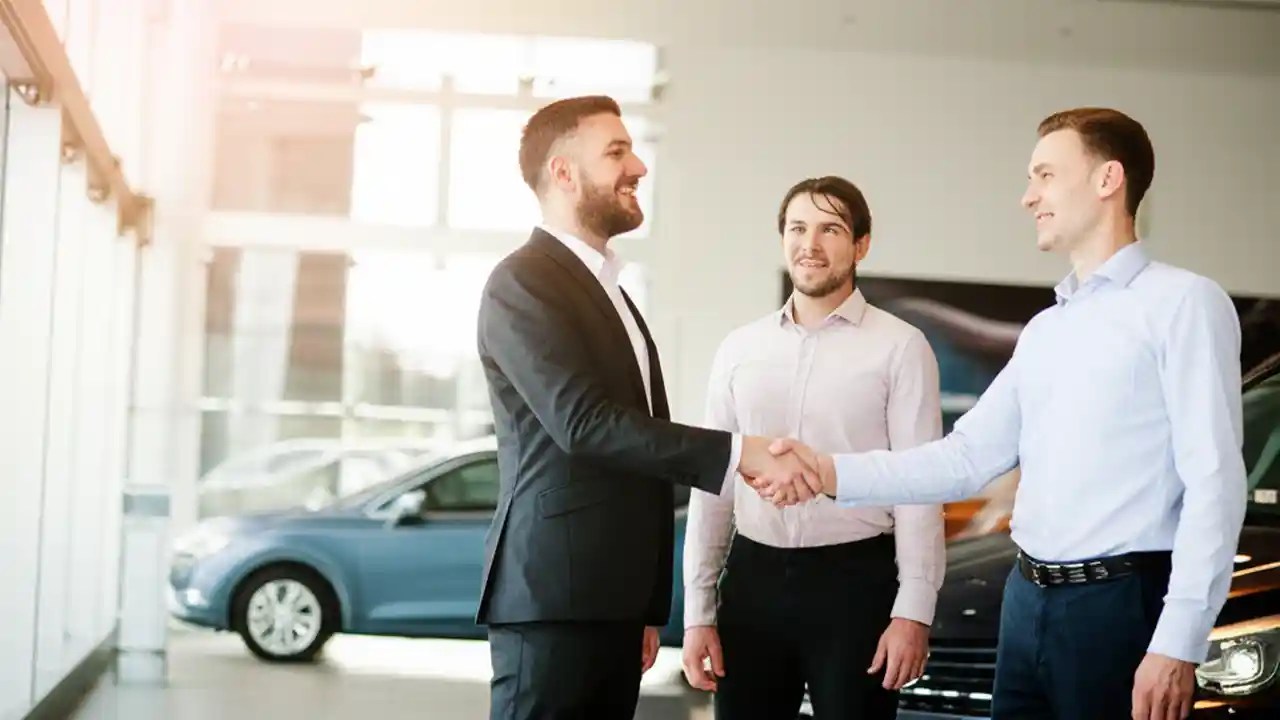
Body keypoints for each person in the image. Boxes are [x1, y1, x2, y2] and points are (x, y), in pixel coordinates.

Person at [758, 108, 1248, 720]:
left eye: (1044, 175)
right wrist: (828, 473)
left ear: (1107, 179)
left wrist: (1178, 641)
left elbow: (1216, 484)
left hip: (1119, 608)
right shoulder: (1046, 329)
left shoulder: (1184, 303)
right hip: (1025, 603)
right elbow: (965, 458)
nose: (1027, 197)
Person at [474, 95, 820, 720]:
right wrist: (738, 452)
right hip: (554, 600)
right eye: (616, 152)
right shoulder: (522, 282)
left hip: (608, 605)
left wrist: (641, 605)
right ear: (562, 172)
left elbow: (639, 449)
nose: (638, 166)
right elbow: (582, 424)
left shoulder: (613, 294)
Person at [681, 176, 946, 719]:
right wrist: (698, 614)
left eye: (831, 229)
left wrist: (913, 613)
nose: (811, 244)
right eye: (798, 228)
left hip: (857, 585)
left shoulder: (901, 347)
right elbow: (713, 486)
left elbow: (922, 486)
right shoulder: (740, 348)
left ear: (861, 245)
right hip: (752, 580)